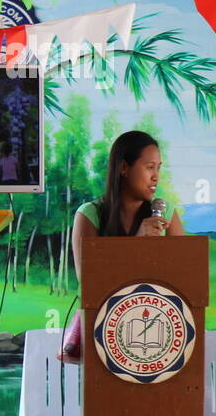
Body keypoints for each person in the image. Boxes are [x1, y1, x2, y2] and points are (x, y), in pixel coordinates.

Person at [60, 130, 185, 363]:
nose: (156, 176)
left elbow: (185, 277)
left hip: (160, 329)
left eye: (159, 167)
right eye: (149, 167)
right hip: (103, 329)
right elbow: (89, 280)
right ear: (124, 168)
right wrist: (136, 242)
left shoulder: (165, 214)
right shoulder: (90, 214)